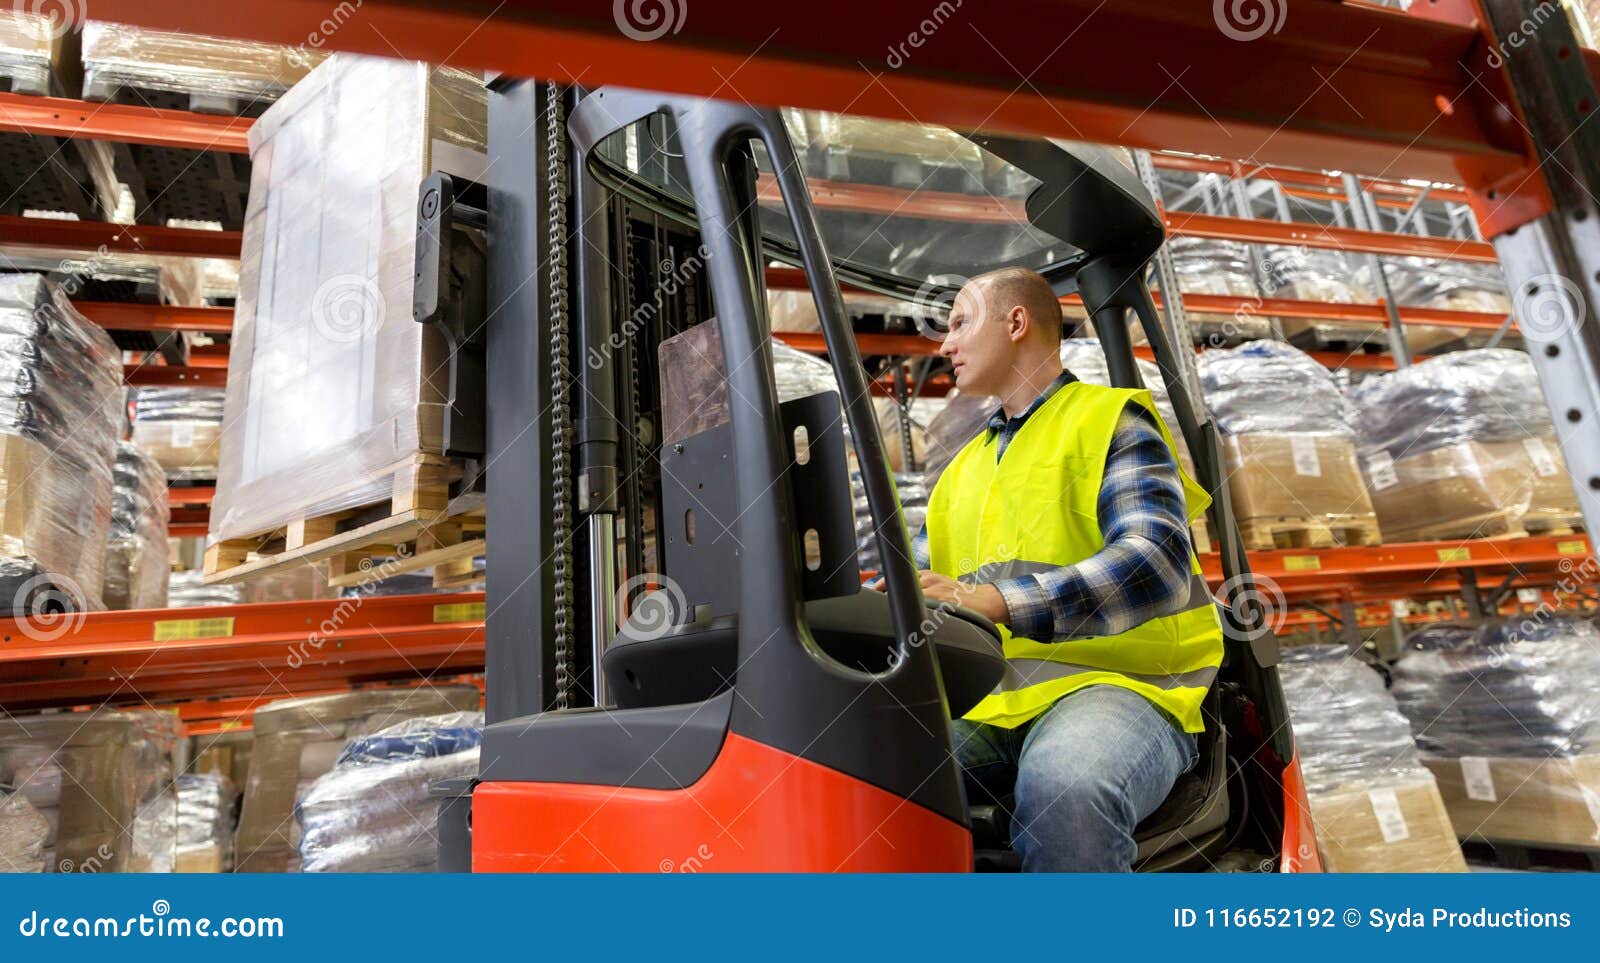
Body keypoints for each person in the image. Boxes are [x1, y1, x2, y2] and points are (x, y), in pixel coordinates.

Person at [878, 266, 1224, 871]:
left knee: (1068, 787)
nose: (944, 344)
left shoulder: (1110, 421)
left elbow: (1156, 564)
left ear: (1016, 322)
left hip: (1125, 687)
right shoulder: (959, 473)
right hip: (994, 700)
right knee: (867, 774)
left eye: (960, 322)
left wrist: (995, 601)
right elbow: (946, 589)